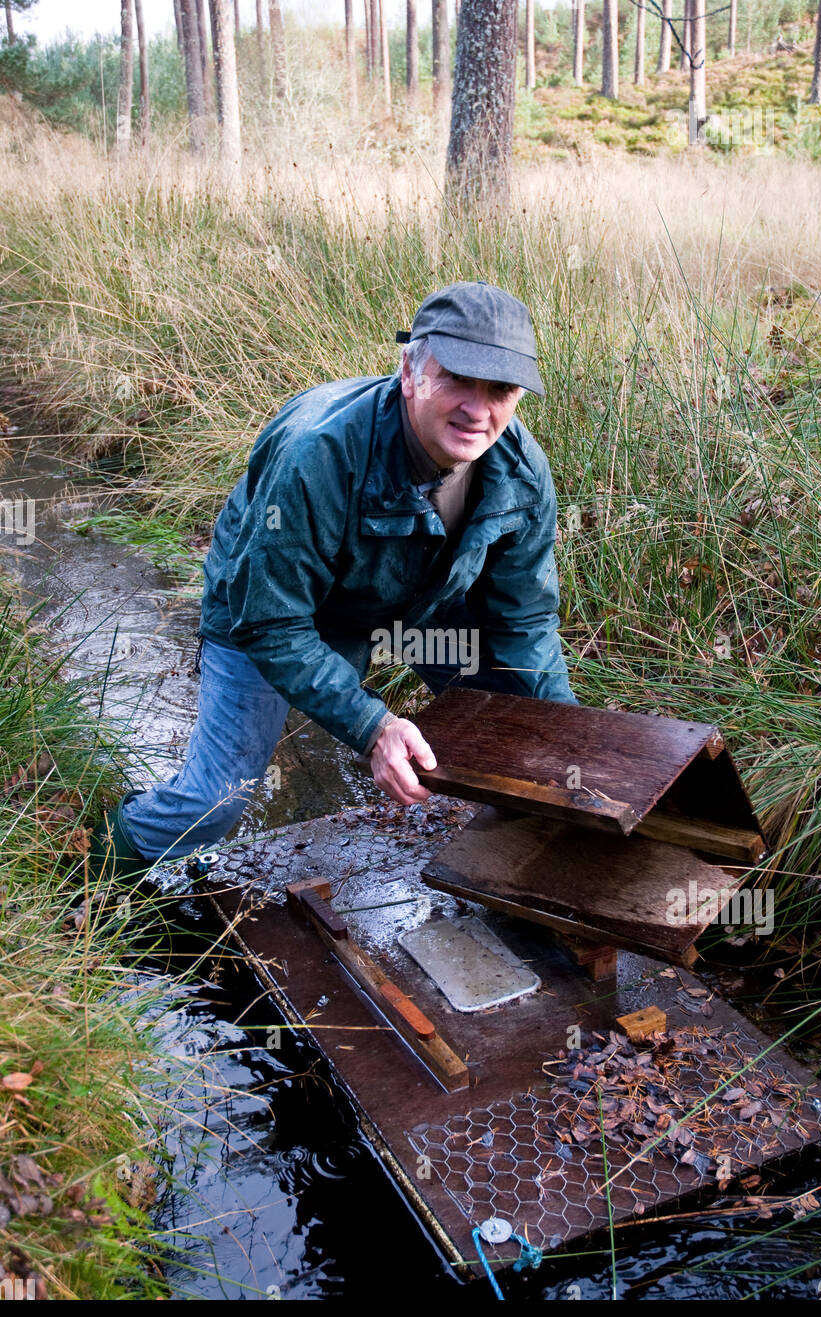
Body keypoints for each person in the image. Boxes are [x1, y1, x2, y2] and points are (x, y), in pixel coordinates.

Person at [87, 280, 577, 889]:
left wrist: (568, 738)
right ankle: (94, 869)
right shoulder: (317, 455)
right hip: (266, 613)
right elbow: (269, 620)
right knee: (216, 802)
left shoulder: (518, 473)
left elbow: (522, 621)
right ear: (410, 371)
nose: (478, 411)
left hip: (408, 612)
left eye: (500, 389)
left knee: (521, 729)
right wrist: (374, 727)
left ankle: (517, 882)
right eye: (457, 379)